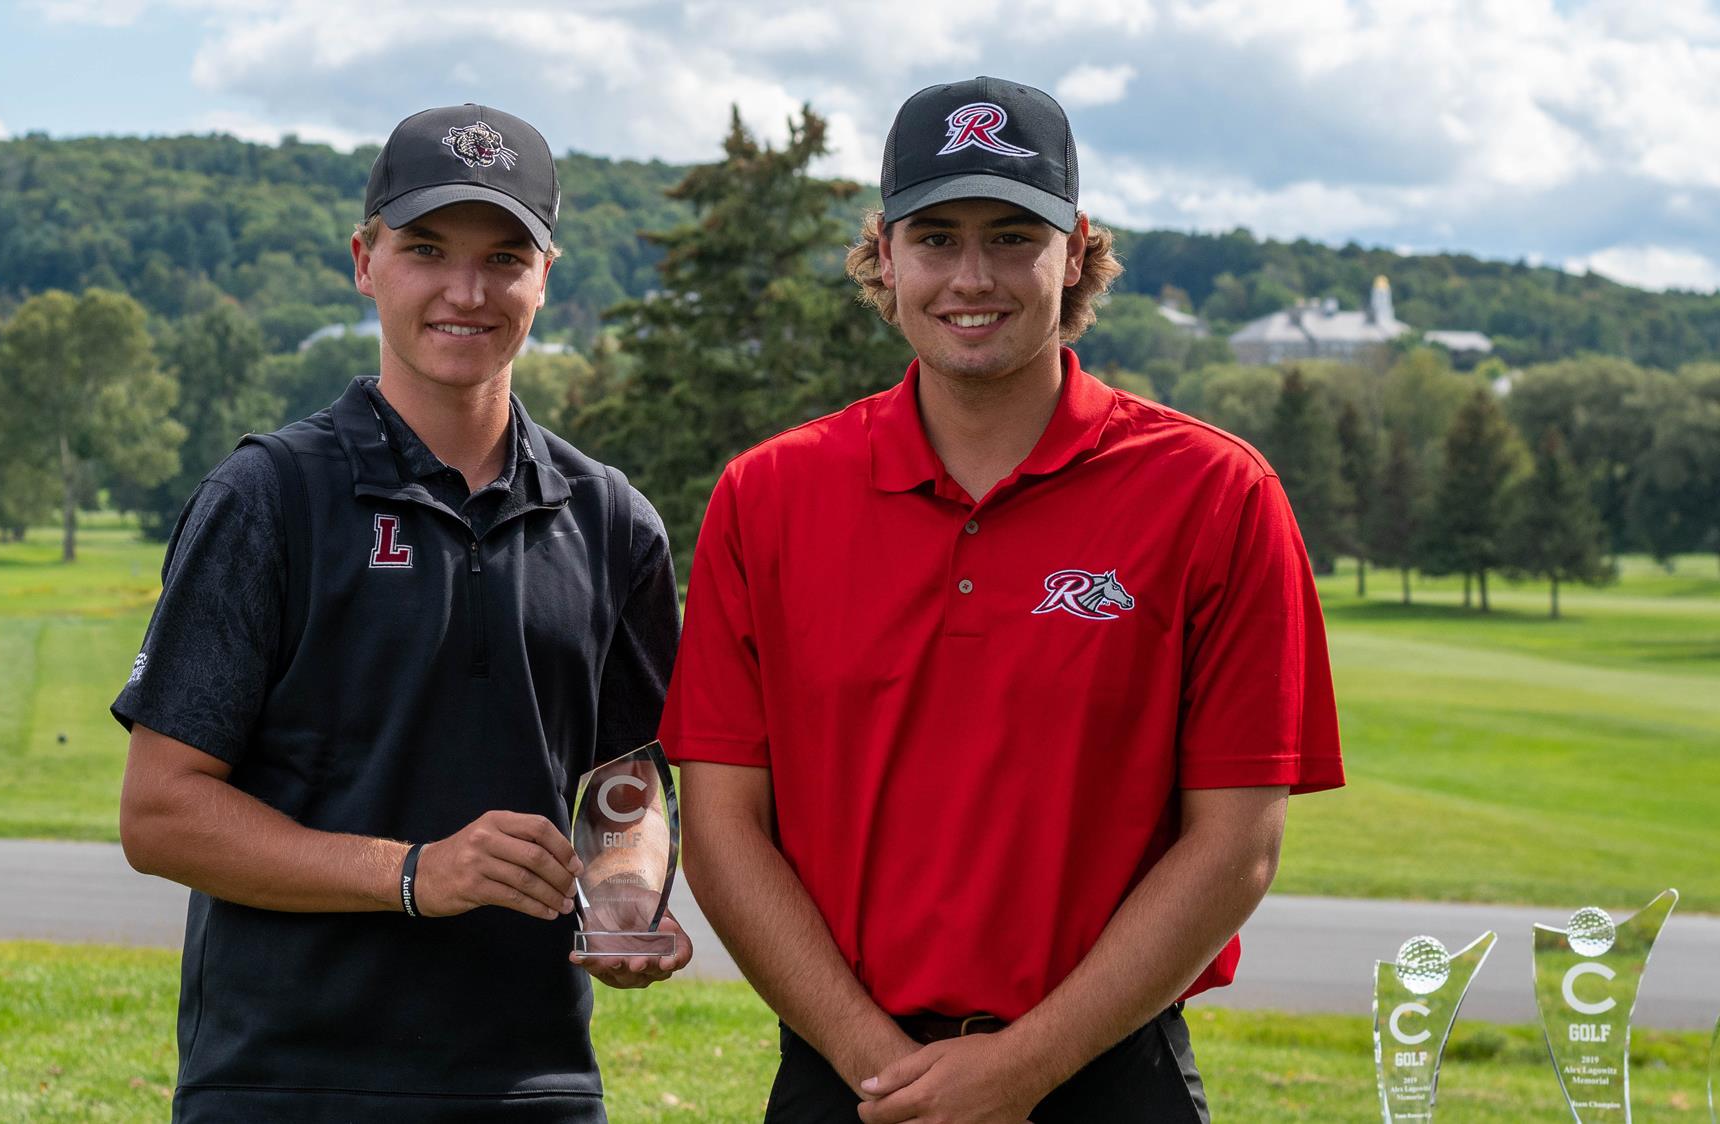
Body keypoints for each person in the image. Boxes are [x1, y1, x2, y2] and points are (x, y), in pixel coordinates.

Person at [662, 76, 1343, 1123]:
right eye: (935, 237)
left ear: (1073, 253)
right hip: (845, 1074)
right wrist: (878, 1064)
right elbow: (719, 828)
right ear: (883, 256)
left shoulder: (1213, 492)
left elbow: (1233, 846)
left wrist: (1019, 1067)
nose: (970, 276)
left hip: (1108, 1070)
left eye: (1012, 236)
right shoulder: (768, 495)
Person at [115, 102, 688, 1123]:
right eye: (426, 249)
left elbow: (623, 778)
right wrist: (416, 872)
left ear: (545, 275)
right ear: (364, 259)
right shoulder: (267, 498)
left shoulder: (611, 521)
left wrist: (627, 896)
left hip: (533, 1084)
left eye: (504, 257)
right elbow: (161, 813)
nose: (465, 291)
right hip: (282, 1083)